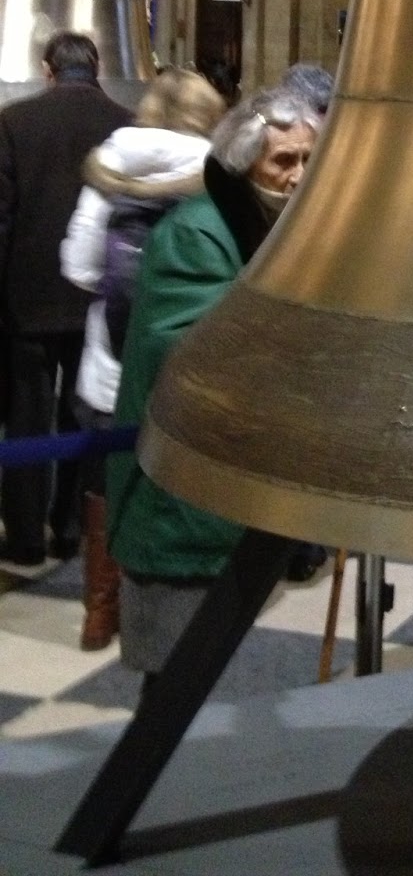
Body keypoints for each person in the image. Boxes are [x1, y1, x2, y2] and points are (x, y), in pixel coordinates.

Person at [106, 86, 318, 691]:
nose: (297, 176)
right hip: (178, 490)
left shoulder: (267, 227)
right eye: (282, 161)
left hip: (228, 490)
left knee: (214, 680)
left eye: (307, 159)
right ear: (241, 161)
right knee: (175, 680)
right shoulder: (198, 231)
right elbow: (193, 347)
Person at [60, 68, 227, 649]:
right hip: (190, 371)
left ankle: (100, 611)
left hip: (110, 364)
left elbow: (80, 265)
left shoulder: (110, 169)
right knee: (178, 480)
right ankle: (178, 620)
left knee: (106, 484)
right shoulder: (220, 175)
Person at [0, 32, 131, 566]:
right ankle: (74, 527)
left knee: (26, 418)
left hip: (26, 299)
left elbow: (1, 218)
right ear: (97, 68)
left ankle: (27, 538)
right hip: (95, 295)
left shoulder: (14, 122)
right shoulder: (125, 124)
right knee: (83, 415)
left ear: (48, 71)